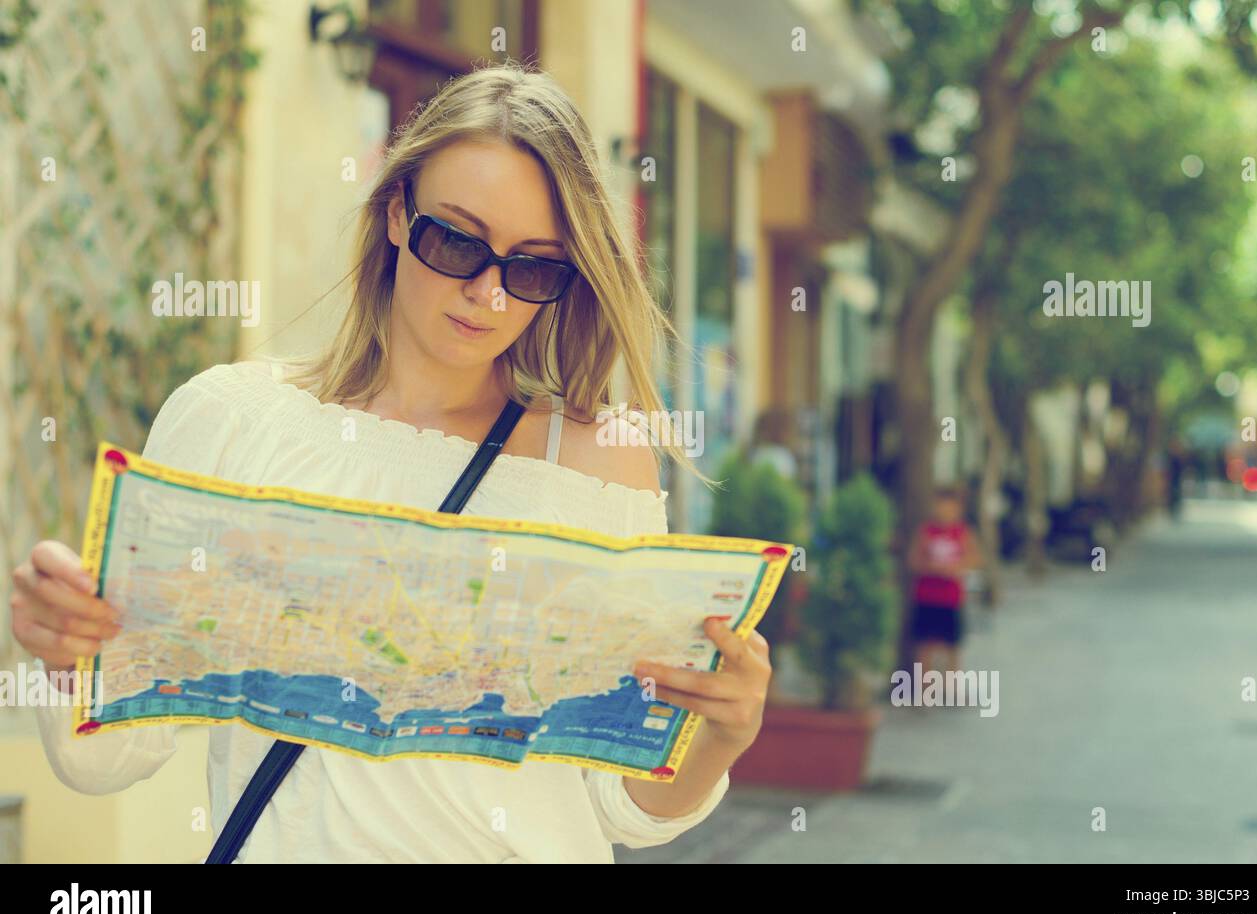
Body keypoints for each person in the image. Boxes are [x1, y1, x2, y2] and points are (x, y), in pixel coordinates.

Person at [8, 63, 773, 863]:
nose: (490, 294)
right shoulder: (231, 423)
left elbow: (620, 803)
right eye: (456, 241)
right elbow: (111, 754)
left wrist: (720, 734)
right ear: (397, 215)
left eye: (533, 267)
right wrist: (65, 651)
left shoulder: (600, 463)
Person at [906, 486, 982, 678]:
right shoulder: (926, 531)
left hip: (951, 598)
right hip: (927, 596)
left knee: (952, 645)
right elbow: (913, 560)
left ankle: (951, 687)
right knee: (925, 645)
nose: (944, 511)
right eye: (940, 506)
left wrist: (956, 569)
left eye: (949, 507)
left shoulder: (962, 533)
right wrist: (933, 568)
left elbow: (975, 559)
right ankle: (925, 690)